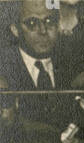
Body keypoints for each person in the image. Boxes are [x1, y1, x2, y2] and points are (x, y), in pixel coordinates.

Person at [0, 0, 77, 135]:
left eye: (49, 21)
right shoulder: (4, 70)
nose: (43, 31)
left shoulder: (75, 63)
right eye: (32, 24)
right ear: (15, 29)